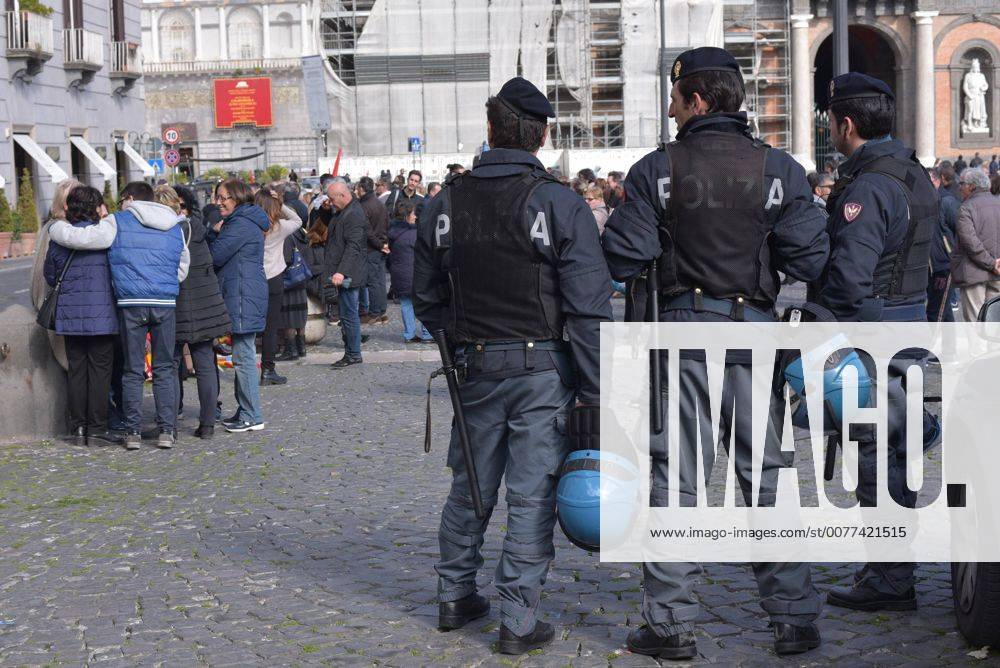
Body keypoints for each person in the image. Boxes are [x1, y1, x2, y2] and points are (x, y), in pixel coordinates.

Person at [602, 47, 830, 658]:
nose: (671, 111)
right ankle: (794, 619)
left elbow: (621, 255)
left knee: (676, 480)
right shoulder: (778, 168)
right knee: (769, 478)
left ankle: (671, 626)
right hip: (753, 331)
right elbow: (809, 258)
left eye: (676, 98)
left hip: (682, 332)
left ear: (698, 100)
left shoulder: (658, 169)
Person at [414, 76, 612, 655]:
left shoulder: (445, 202)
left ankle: (454, 595)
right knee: (530, 495)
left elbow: (424, 296)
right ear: (541, 134)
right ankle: (517, 620)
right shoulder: (556, 202)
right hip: (542, 368)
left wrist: (460, 339)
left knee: (470, 485)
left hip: (475, 364)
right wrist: (596, 390)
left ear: (491, 130)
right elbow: (587, 308)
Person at [811, 73, 939, 612]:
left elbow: (848, 276)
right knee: (896, 449)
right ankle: (888, 566)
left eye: (830, 122)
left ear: (846, 123)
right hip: (908, 325)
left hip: (872, 334)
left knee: (875, 455)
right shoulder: (915, 174)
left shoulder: (867, 185)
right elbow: (941, 265)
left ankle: (891, 578)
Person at [48, 182, 191, 450]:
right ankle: (167, 431)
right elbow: (182, 266)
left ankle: (133, 432)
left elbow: (83, 238)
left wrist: (55, 228)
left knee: (133, 369)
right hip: (165, 302)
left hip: (131, 302)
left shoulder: (118, 221)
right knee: (163, 367)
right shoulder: (175, 224)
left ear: (130, 199)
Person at [43, 186, 119, 447]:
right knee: (100, 373)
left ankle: (77, 429)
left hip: (70, 315)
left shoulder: (59, 238)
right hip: (103, 315)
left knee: (76, 371)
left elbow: (50, 276)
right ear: (96, 207)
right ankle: (97, 429)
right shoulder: (106, 237)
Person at [161, 185, 231, 440]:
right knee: (204, 366)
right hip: (205, 308)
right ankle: (208, 424)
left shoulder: (166, 232)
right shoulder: (199, 231)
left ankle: (170, 425)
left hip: (176, 306)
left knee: (172, 366)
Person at [208, 179, 269, 432]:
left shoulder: (240, 224)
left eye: (223, 198)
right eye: (217, 197)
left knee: (243, 357)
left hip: (242, 294)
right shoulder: (245, 221)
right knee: (242, 355)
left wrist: (212, 231)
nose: (218, 202)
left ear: (237, 198)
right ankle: (245, 410)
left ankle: (252, 415)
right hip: (243, 291)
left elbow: (215, 256)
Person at [256, 188, 301, 386]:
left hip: (254, 279)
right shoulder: (278, 226)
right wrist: (281, 203)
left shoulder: (250, 226)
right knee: (270, 328)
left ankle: (250, 368)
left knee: (253, 326)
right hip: (273, 278)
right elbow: (298, 220)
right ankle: (268, 369)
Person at [324, 181, 369, 368]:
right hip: (344, 271)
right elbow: (332, 227)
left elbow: (354, 247)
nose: (331, 202)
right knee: (347, 314)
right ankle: (351, 351)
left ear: (343, 195)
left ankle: (353, 353)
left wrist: (342, 272)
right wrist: (326, 210)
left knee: (349, 315)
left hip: (349, 273)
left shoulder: (354, 214)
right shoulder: (345, 211)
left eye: (332, 199)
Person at [951, 168, 1000, 322]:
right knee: (994, 325)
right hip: (996, 270)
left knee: (975, 327)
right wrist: (995, 263)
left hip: (975, 273)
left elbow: (970, 243)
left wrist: (992, 263)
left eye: (962, 184)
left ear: (971, 186)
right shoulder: (997, 203)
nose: (960, 188)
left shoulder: (966, 208)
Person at [387, 200, 431, 343]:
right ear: (406, 216)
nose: (415, 216)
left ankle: (409, 334)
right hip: (414, 273)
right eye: (413, 214)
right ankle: (427, 334)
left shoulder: (393, 231)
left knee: (406, 304)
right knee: (424, 303)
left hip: (399, 273)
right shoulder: (414, 234)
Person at [356, 176, 390, 325]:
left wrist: (379, 245)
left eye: (358, 188)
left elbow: (367, 231)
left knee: (373, 281)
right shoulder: (379, 203)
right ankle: (382, 311)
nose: (356, 191)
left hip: (372, 248)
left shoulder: (364, 206)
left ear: (362, 189)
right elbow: (386, 224)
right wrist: (384, 243)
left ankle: (375, 313)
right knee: (380, 280)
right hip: (381, 245)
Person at [926, 167, 959, 322]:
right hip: (932, 265)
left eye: (928, 181)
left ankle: (929, 345)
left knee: (935, 312)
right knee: (944, 311)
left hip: (944, 264)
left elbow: (960, 229)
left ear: (937, 181)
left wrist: (953, 254)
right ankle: (950, 346)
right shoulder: (928, 200)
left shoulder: (947, 201)